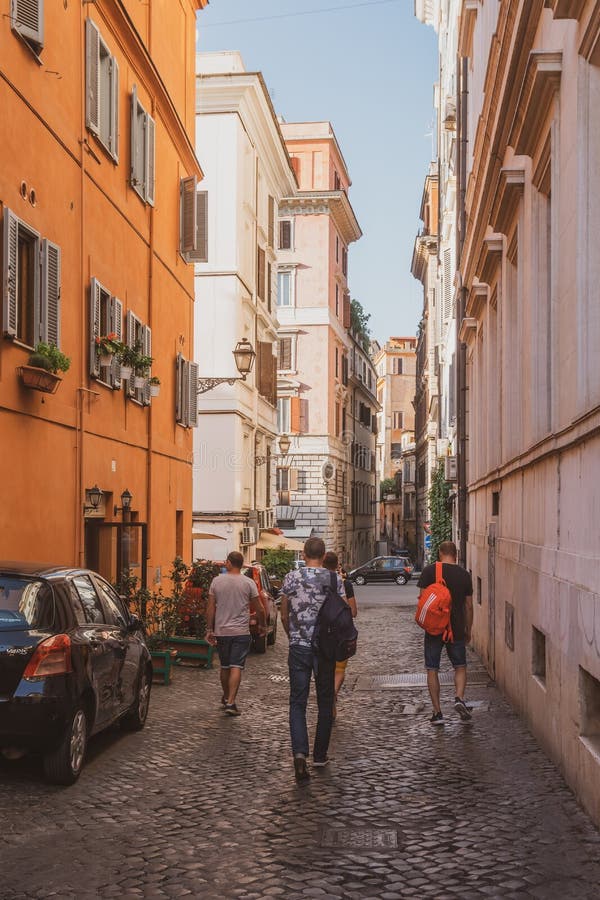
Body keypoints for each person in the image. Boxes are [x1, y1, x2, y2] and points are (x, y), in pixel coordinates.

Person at [280, 537, 346, 780]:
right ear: (324, 555)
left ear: (304, 554)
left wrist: (292, 636)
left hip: (299, 646)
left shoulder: (291, 578)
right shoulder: (334, 579)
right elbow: (342, 613)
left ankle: (299, 754)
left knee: (297, 702)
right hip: (325, 648)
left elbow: (283, 614)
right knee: (325, 701)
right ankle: (319, 755)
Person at [417, 540, 474, 725]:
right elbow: (469, 606)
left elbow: (423, 599)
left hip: (434, 628)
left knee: (432, 669)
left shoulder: (429, 571)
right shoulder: (464, 575)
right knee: (460, 666)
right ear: (455, 555)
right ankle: (459, 698)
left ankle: (437, 712)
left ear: (440, 553)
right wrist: (468, 629)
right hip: (456, 628)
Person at [206, 551, 266, 716]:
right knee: (236, 666)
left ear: (230, 563)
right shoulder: (248, 583)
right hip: (241, 632)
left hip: (222, 631)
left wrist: (209, 629)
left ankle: (227, 697)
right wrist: (262, 625)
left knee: (225, 666)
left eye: (226, 561)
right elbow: (260, 608)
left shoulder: (216, 581)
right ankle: (231, 702)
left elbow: (210, 607)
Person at [322, 552, 357, 719]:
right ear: (337, 565)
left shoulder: (317, 582)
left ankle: (330, 701)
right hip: (342, 633)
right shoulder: (345, 584)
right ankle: (334, 693)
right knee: (339, 669)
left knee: (325, 670)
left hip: (323, 633)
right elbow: (353, 612)